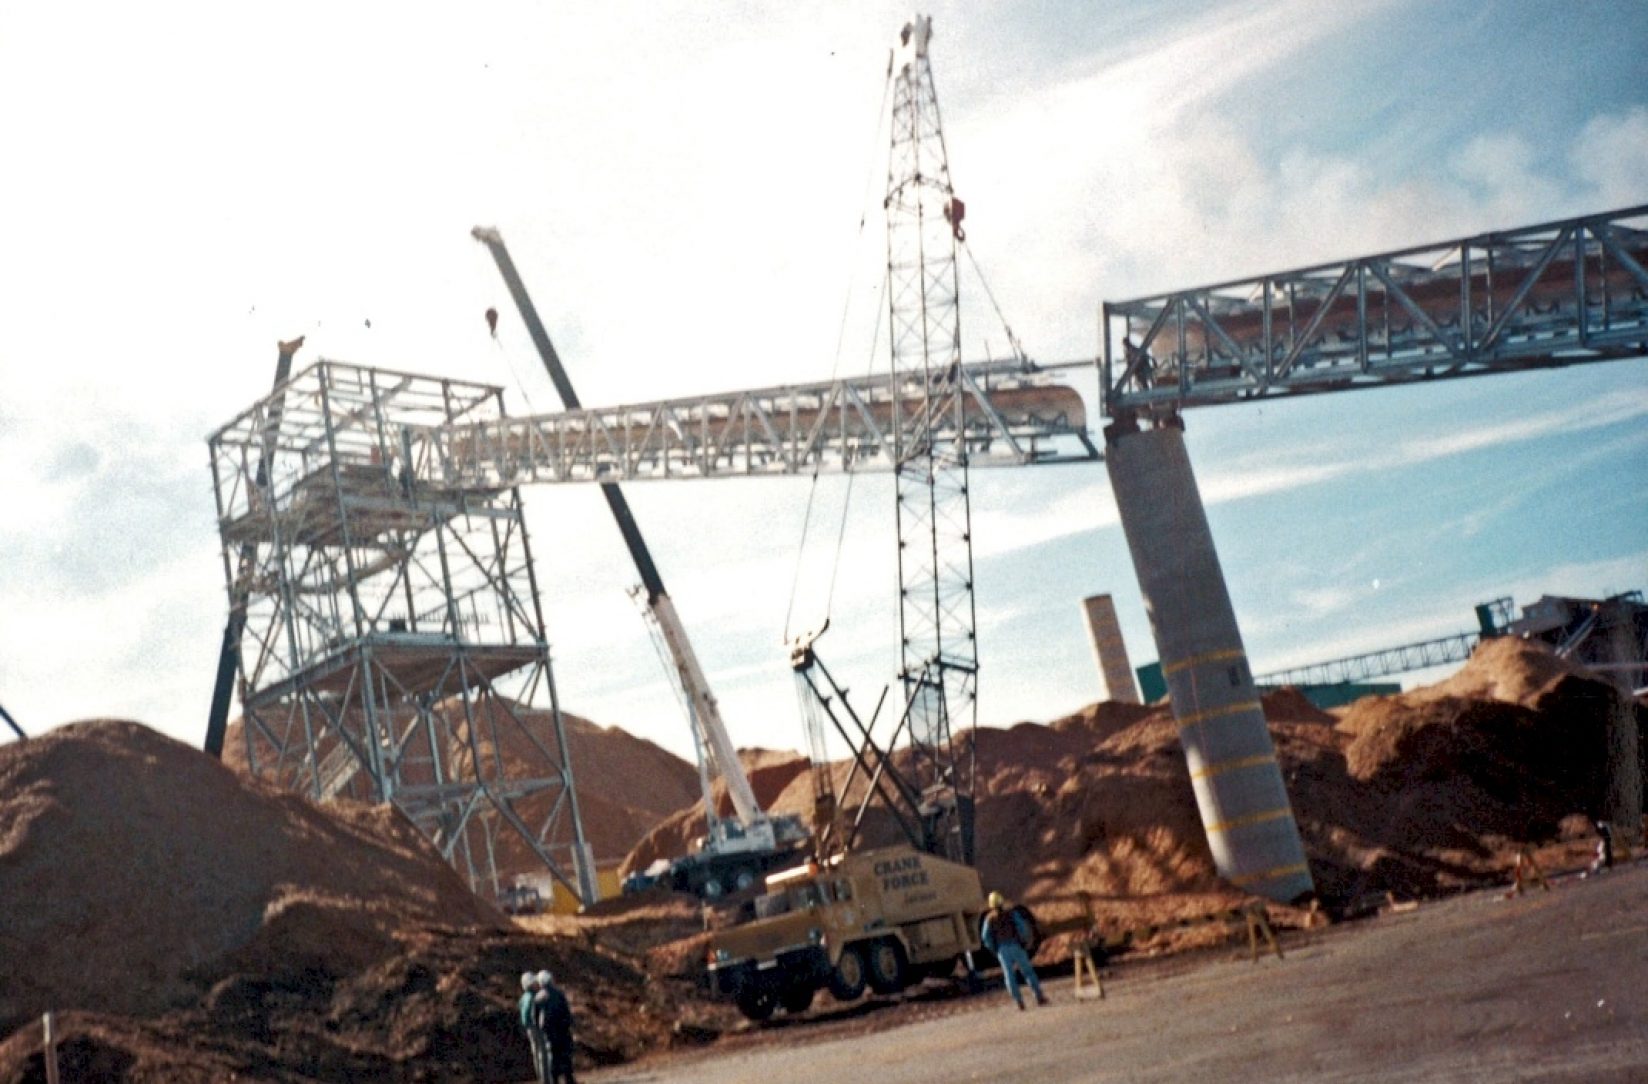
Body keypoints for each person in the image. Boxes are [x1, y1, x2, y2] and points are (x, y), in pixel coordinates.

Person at [980, 891, 1048, 1010]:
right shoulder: (1011, 913)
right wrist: (1025, 941)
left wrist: (994, 948)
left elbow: (986, 938)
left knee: (1009, 976)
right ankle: (1039, 996)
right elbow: (1023, 928)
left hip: (1002, 950)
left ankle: (1019, 1002)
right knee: (1028, 972)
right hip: (1016, 946)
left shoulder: (989, 919)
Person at [532, 969, 577, 1084]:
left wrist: (540, 1028)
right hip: (562, 1029)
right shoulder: (559, 994)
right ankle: (569, 1079)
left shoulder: (538, 997)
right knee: (566, 1056)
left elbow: (535, 1016)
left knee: (552, 1056)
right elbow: (566, 1011)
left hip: (548, 1031)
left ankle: (554, 1080)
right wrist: (570, 1024)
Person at [518, 971, 545, 1083]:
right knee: (541, 1052)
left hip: (529, 1028)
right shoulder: (533, 997)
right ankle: (544, 1075)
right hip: (535, 1027)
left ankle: (540, 1075)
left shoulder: (523, 998)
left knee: (535, 1051)